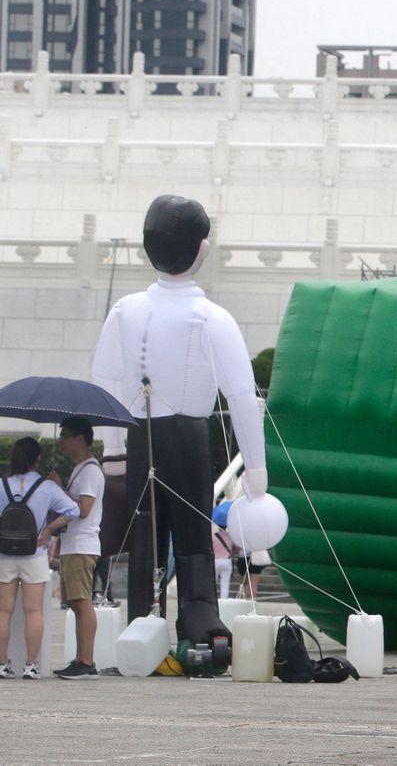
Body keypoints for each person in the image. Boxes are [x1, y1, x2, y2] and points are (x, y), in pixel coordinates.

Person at [92, 194, 272, 648]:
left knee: (144, 535)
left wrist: (112, 447)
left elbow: (104, 379)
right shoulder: (211, 317)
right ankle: (198, 620)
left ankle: (142, 620)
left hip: (138, 434)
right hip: (188, 433)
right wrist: (256, 468)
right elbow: (242, 396)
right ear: (201, 249)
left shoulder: (124, 310)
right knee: (193, 534)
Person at [0, 437, 80, 680]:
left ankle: (2, 664)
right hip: (34, 554)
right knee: (33, 611)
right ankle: (31, 665)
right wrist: (47, 530)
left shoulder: (2, 484)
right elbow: (73, 510)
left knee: (3, 611)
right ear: (38, 459)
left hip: (4, 554)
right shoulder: (47, 487)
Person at [48, 417, 104, 680]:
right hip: (74, 544)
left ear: (79, 438)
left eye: (65, 436)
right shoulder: (80, 469)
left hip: (82, 544)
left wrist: (59, 491)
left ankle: (86, 660)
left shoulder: (91, 471)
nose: (61, 441)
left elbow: (83, 509)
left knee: (82, 603)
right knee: (75, 603)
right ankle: (82, 658)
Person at [211, 525, 234, 599]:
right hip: (227, 560)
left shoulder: (213, 536)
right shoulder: (230, 536)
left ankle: (212, 598)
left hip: (215, 560)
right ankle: (223, 600)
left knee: (213, 582)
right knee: (225, 584)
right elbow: (236, 548)